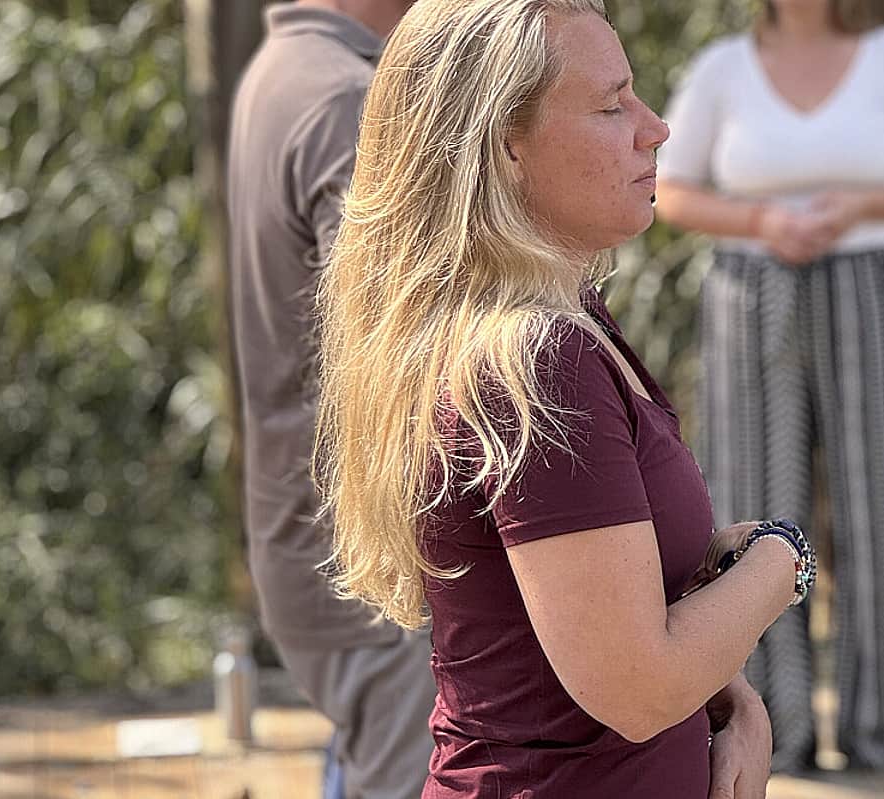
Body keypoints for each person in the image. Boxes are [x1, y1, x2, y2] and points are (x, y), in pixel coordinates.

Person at [311, 1, 820, 797]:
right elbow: (639, 686)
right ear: (506, 147)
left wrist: (735, 701)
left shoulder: (560, 324)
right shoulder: (538, 363)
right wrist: (784, 557)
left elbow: (593, 603)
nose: (654, 129)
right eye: (612, 106)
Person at [654, 0, 884, 781]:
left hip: (877, 287)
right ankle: (771, 725)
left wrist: (861, 204)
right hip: (751, 290)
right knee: (755, 508)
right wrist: (762, 220)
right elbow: (668, 188)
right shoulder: (723, 68)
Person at [225, 2, 435, 798]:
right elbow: (399, 332)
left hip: (309, 531)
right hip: (368, 549)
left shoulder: (283, 72)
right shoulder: (346, 97)